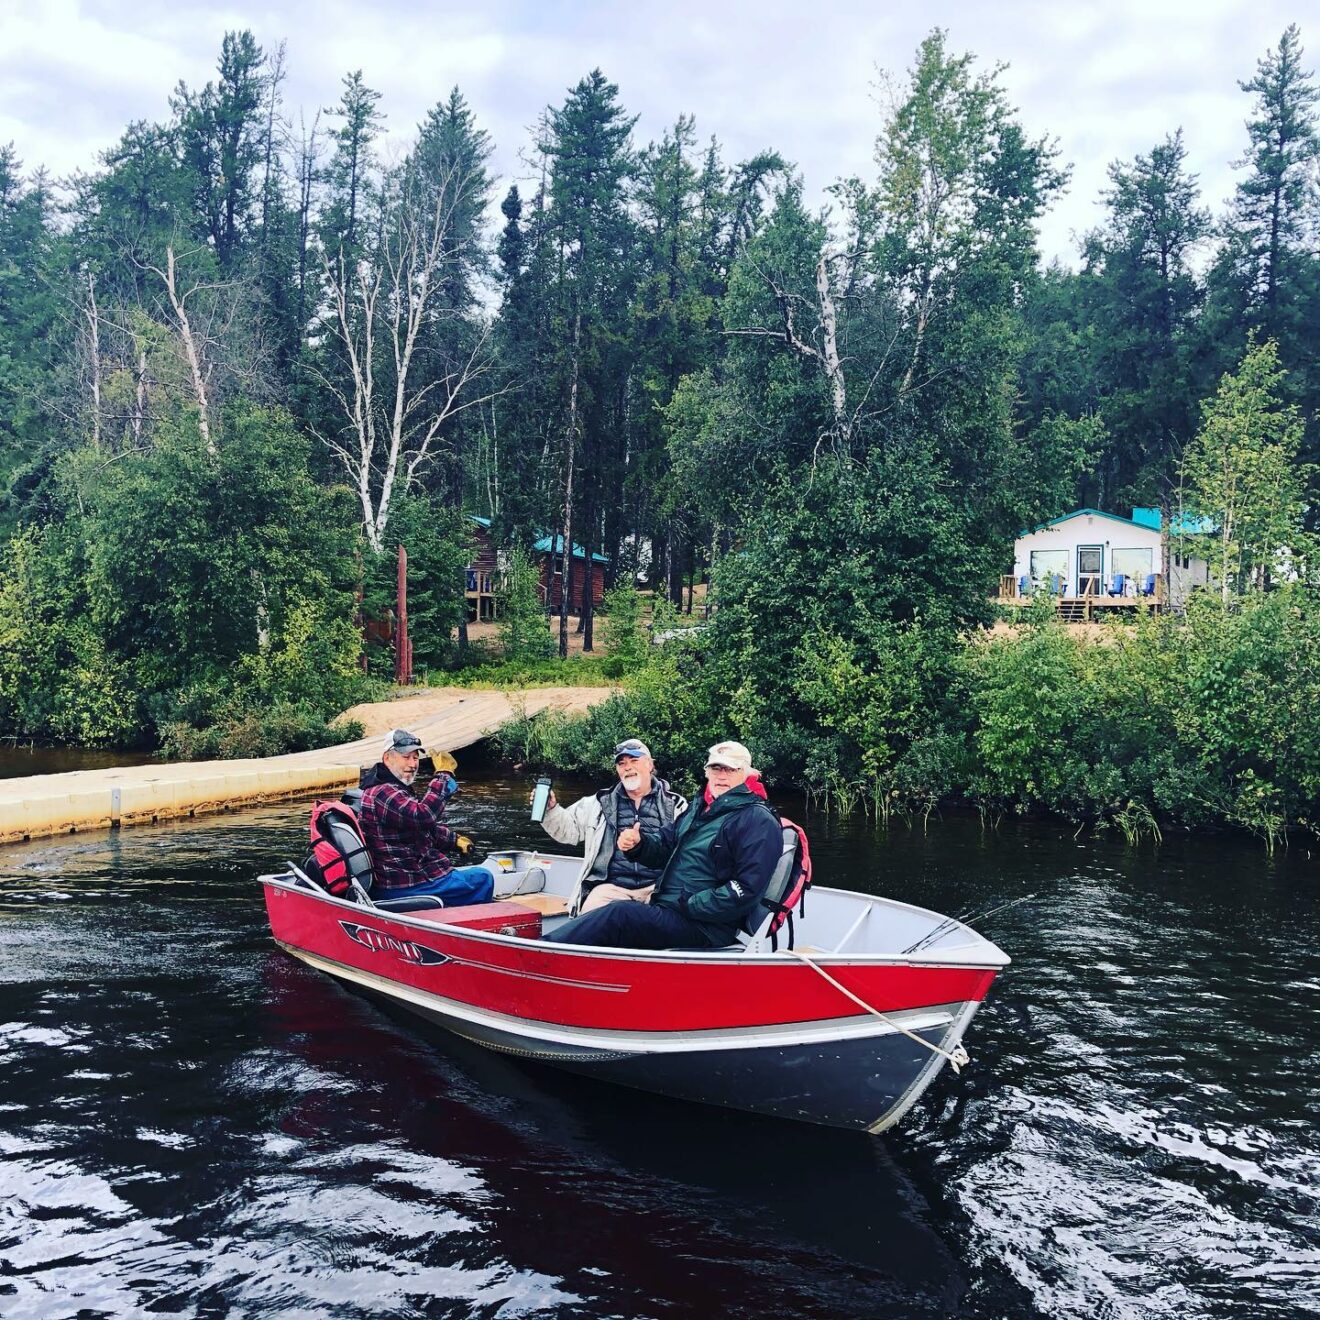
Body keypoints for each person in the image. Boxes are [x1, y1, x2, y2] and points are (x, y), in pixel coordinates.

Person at [543, 740, 782, 950]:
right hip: (670, 907)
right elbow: (665, 845)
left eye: (730, 769)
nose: (721, 775)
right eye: (716, 768)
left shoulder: (757, 819)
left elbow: (746, 890)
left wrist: (690, 904)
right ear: (707, 773)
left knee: (620, 914)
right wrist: (640, 845)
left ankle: (541, 951)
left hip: (705, 926)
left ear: (748, 774)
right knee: (614, 915)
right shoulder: (700, 809)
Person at [538, 738, 688, 914]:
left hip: (659, 887)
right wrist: (550, 810)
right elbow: (568, 832)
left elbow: (690, 851)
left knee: (673, 922)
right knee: (589, 921)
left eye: (634, 760)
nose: (627, 767)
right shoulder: (597, 802)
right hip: (611, 887)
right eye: (621, 763)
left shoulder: (677, 805)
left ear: (649, 765)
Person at [359, 729, 495, 905]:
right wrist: (444, 776)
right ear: (387, 758)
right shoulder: (383, 793)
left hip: (409, 877)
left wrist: (454, 840)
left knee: (469, 875)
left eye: (415, 758)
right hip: (407, 884)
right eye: (406, 757)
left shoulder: (391, 787)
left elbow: (418, 828)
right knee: (483, 878)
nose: (413, 764)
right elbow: (423, 816)